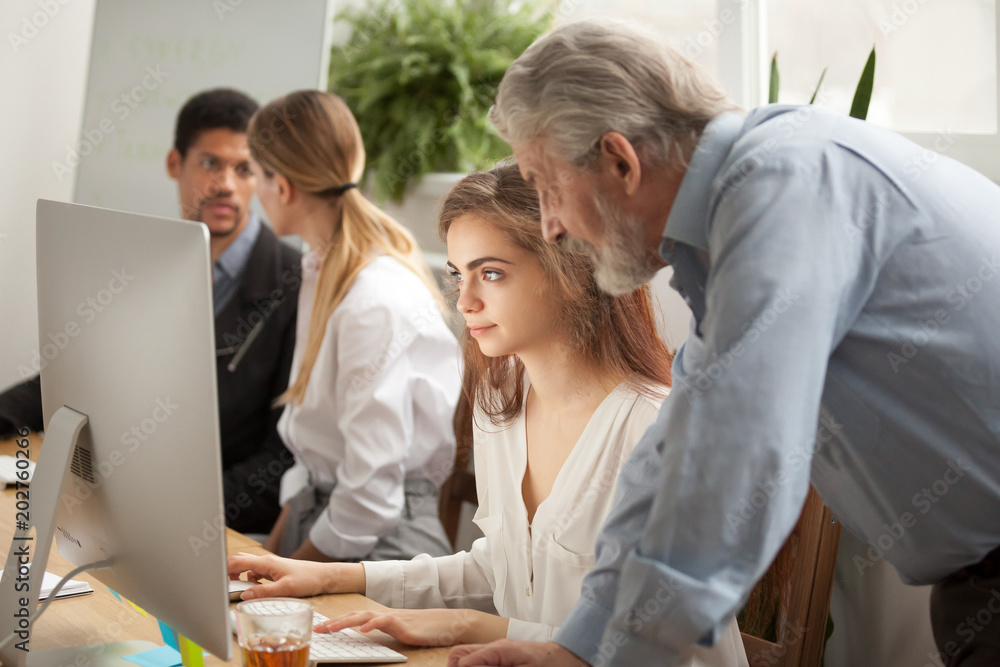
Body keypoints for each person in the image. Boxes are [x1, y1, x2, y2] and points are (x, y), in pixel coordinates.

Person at [448, 18, 1000, 667]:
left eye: (547, 187)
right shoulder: (738, 215)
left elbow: (739, 460)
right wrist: (581, 645)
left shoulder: (780, 191)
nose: (552, 225)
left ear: (619, 160)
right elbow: (679, 451)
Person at [228, 161, 749, 665]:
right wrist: (334, 578)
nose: (465, 301)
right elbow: (501, 565)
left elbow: (658, 653)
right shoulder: (501, 402)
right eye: (459, 275)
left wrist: (475, 626)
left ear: (572, 270)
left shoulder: (650, 431)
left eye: (492, 273)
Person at [0, 88, 299, 536]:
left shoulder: (295, 283)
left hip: (220, 529)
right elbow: (77, 373)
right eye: (210, 163)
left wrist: (170, 517)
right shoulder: (143, 263)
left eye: (244, 169)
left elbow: (282, 457)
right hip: (121, 513)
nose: (226, 185)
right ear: (174, 164)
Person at [245, 90, 460, 563]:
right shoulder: (321, 270)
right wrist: (272, 563)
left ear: (281, 187)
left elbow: (369, 495)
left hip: (383, 549)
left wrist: (289, 575)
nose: (251, 191)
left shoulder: (373, 302)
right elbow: (315, 463)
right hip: (322, 525)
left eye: (253, 174)